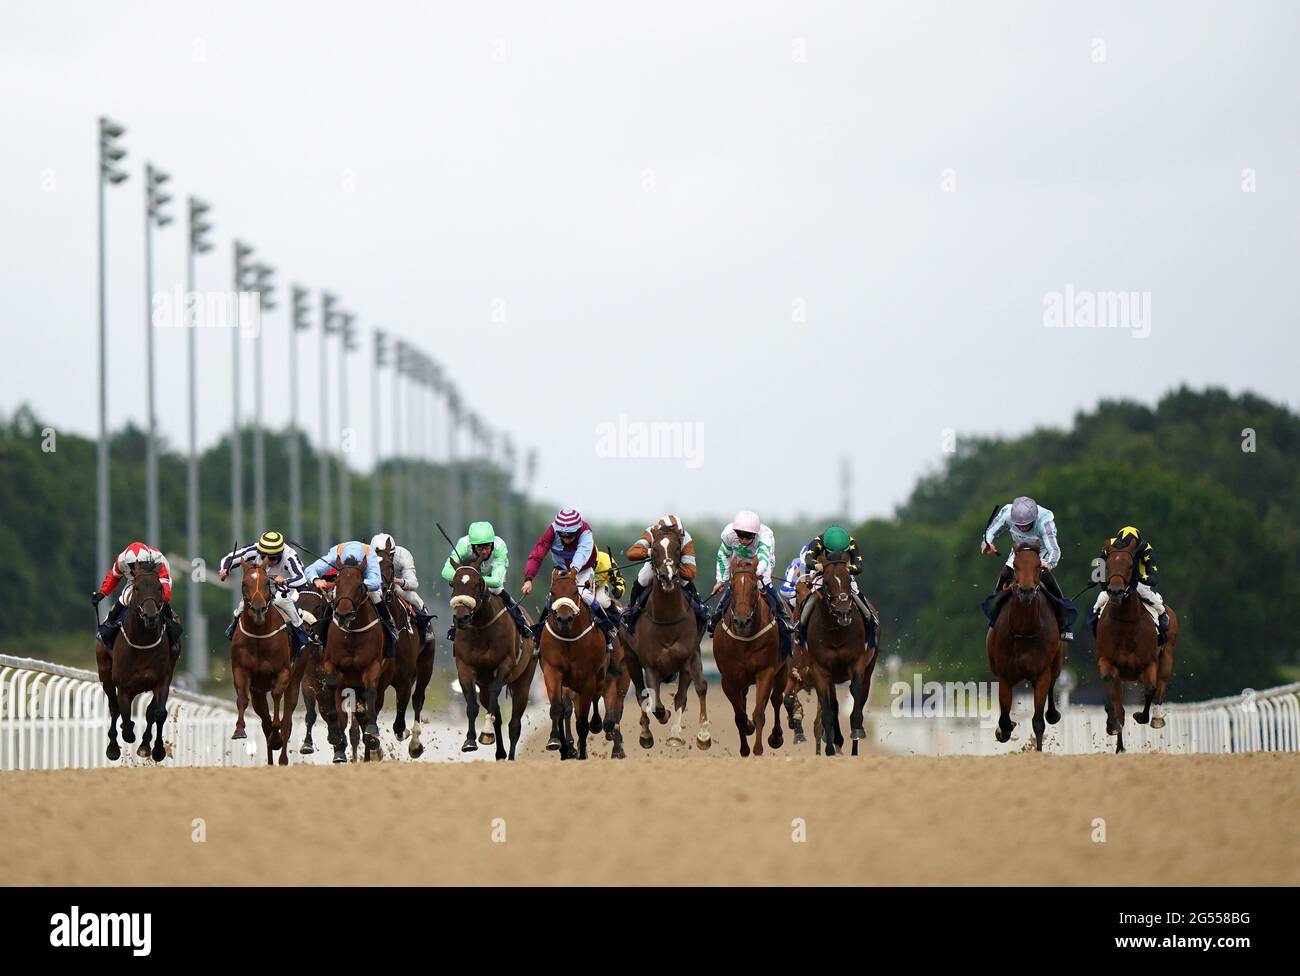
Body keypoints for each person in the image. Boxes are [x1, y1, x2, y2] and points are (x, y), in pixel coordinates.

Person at [522, 506, 620, 671]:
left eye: (570, 536)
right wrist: (529, 578)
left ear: (577, 530)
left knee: (584, 595)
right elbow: (538, 552)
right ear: (558, 531)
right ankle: (538, 636)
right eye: (563, 535)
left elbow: (582, 553)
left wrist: (574, 572)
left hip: (582, 571)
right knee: (551, 601)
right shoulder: (552, 531)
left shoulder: (585, 532)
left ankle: (608, 629)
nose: (566, 538)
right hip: (561, 570)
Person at [981, 495, 1075, 640]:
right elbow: (990, 532)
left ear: (1035, 518)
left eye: (1027, 524)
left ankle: (1064, 624)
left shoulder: (1045, 521)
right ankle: (993, 618)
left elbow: (1054, 550)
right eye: (1019, 525)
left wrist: (1049, 563)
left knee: (1048, 580)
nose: (1023, 528)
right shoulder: (1007, 514)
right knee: (1005, 574)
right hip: (1020, 550)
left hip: (1041, 552)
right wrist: (986, 544)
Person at [707, 510, 793, 656]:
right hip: (739, 559)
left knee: (762, 583)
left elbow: (764, 558)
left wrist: (757, 573)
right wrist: (721, 580)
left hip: (760, 562)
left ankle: (783, 617)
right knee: (737, 585)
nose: (744, 540)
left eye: (748, 537)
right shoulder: (728, 534)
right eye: (740, 535)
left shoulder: (765, 537)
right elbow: (723, 556)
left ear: (755, 534)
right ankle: (717, 615)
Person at [217, 530, 314, 657]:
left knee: (281, 601)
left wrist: (285, 581)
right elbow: (230, 557)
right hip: (260, 586)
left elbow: (301, 578)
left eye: (272, 558)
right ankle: (233, 629)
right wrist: (225, 568)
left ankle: (301, 638)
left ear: (280, 554)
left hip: (283, 587)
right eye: (263, 557)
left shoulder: (289, 555)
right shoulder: (255, 549)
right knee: (243, 605)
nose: (267, 560)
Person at [302, 540, 400, 657]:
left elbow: (375, 582)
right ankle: (322, 633)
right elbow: (310, 570)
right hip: (345, 583)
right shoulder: (337, 552)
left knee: (376, 596)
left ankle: (390, 628)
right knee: (333, 595)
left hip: (363, 584)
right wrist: (315, 579)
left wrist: (354, 584)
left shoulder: (369, 553)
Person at [440, 520, 531, 639]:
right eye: (479, 547)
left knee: (497, 590)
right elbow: (445, 571)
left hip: (491, 574)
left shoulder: (499, 546)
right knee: (463, 590)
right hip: (470, 574)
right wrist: (467, 577)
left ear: (492, 544)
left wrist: (473, 578)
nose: (484, 551)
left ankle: (521, 622)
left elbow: (497, 581)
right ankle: (454, 626)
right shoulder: (463, 544)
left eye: (487, 547)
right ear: (472, 545)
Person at [92, 541, 182, 655]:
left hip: (157, 577)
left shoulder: (157, 559)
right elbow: (114, 577)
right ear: (127, 563)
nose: (135, 568)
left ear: (147, 561)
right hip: (135, 581)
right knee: (124, 599)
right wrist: (102, 593)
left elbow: (166, 593)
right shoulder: (121, 560)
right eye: (132, 566)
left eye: (139, 564)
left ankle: (173, 635)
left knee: (158, 597)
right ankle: (108, 628)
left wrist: (157, 597)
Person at [797, 524, 878, 648]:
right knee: (810, 600)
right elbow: (808, 560)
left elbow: (859, 566)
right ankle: (801, 631)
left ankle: (871, 625)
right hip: (823, 576)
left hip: (844, 577)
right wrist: (816, 565)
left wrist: (847, 569)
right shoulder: (817, 542)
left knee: (857, 596)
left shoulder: (851, 543)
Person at [623, 515, 707, 630]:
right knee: (643, 578)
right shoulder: (652, 532)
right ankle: (631, 609)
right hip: (656, 565)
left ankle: (700, 609)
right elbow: (631, 553)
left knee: (686, 582)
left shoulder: (686, 538)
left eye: (679, 536)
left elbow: (691, 572)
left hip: (677, 566)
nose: (679, 538)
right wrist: (652, 552)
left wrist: (674, 567)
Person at [1089, 525, 1169, 645]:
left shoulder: (1146, 549)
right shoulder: (1111, 545)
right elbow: (1099, 563)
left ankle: (1162, 615)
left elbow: (1153, 578)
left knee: (1148, 595)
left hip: (1140, 581)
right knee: (1101, 599)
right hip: (1118, 580)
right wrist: (1095, 577)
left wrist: (1140, 578)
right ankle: (1095, 619)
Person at [370, 532, 436, 643]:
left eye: (389, 556)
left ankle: (427, 624)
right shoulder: (367, 556)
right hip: (376, 586)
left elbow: (414, 583)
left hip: (397, 586)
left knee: (414, 597)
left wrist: (398, 581)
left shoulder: (403, 555)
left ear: (393, 553)